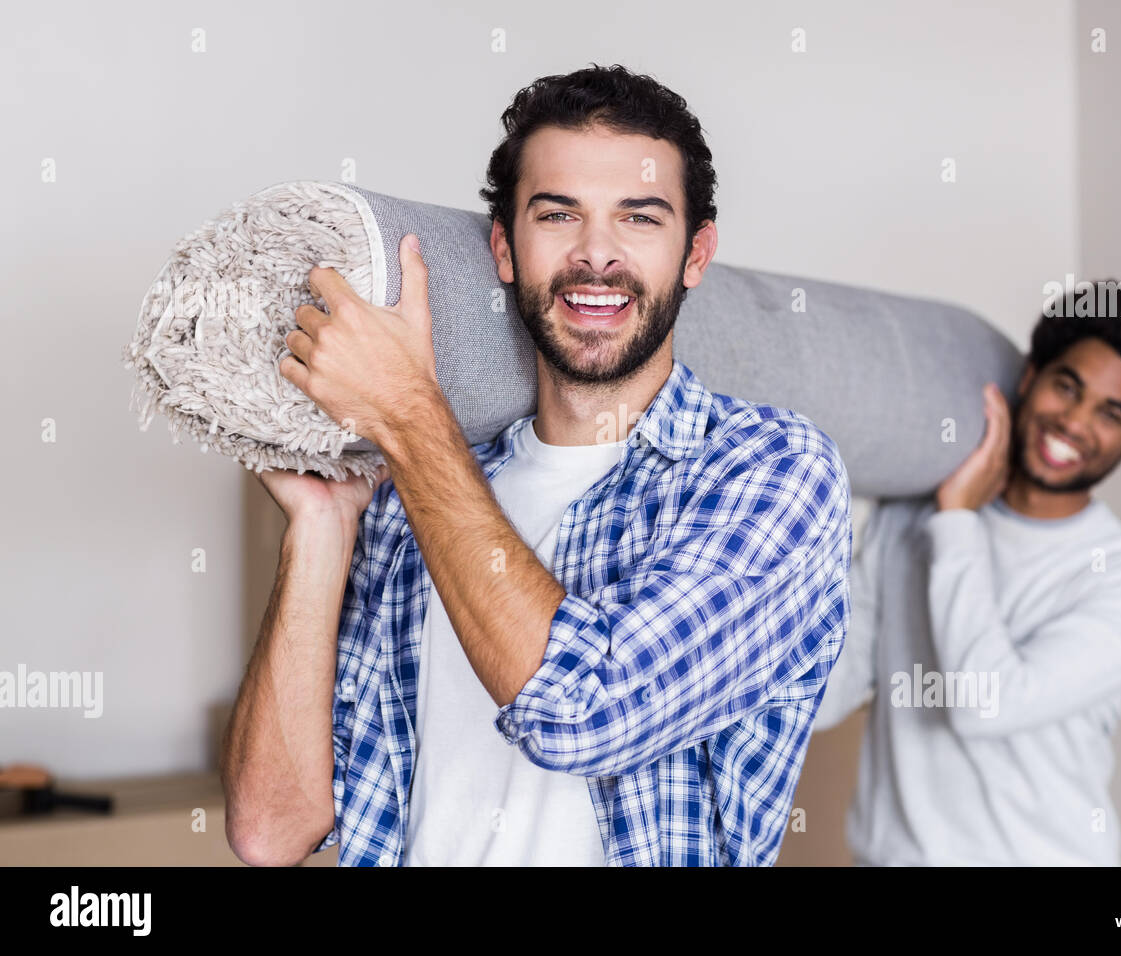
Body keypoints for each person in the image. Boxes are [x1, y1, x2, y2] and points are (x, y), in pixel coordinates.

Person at [220, 64, 853, 867]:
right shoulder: (413, 498)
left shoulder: (770, 472)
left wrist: (410, 419)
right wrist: (322, 525)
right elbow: (271, 832)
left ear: (695, 254)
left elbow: (584, 712)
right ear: (504, 248)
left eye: (640, 218)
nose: (597, 255)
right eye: (557, 214)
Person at [815, 284, 1121, 865]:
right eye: (1066, 386)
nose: (1072, 421)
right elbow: (825, 694)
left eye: (1111, 414)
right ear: (1031, 379)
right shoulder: (912, 515)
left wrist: (958, 521)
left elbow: (983, 706)